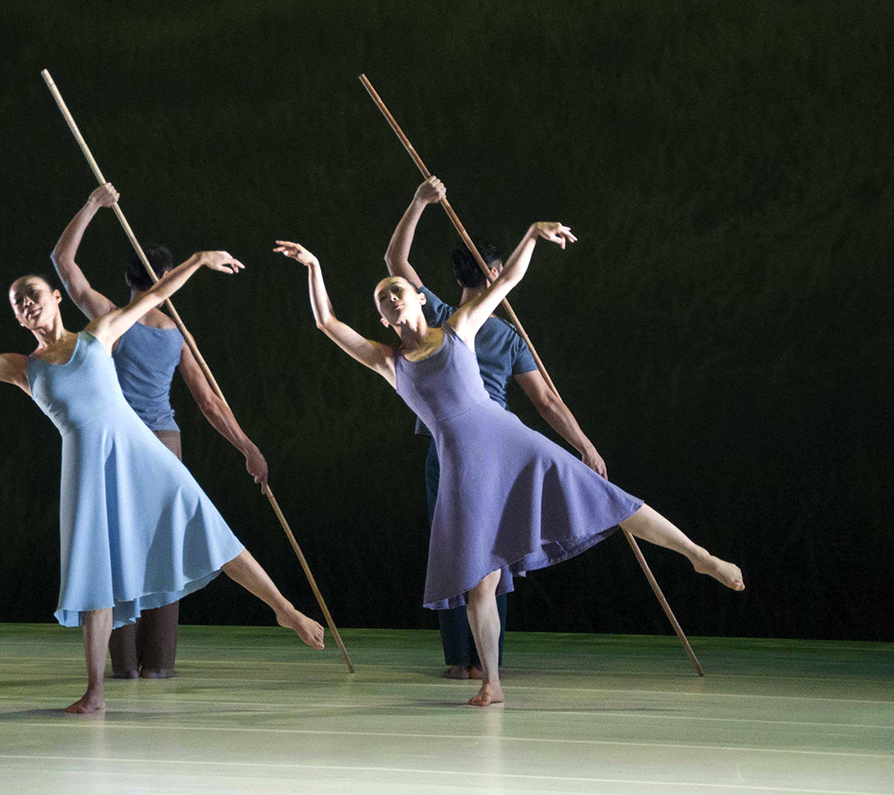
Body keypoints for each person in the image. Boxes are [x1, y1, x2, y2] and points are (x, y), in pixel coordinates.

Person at [273, 231, 743, 707]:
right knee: (481, 578)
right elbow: (327, 322)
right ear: (382, 317)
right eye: (382, 297)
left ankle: (699, 555)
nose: (392, 296)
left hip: (511, 442)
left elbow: (510, 278)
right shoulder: (389, 361)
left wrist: (533, 234)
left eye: (397, 289)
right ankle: (491, 682)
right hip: (462, 468)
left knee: (605, 500)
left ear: (418, 297)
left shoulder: (458, 328)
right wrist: (314, 265)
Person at [0, 244, 324, 713]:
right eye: (16, 303)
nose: (25, 303)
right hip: (86, 471)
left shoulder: (98, 334)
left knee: (204, 519)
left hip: (139, 451)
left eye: (31, 293)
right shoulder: (25, 369)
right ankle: (95, 694)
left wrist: (199, 260)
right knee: (94, 576)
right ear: (20, 318)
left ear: (55, 297)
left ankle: (283, 609)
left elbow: (155, 295)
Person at [385, 176, 609, 680]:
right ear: (494, 270)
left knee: (453, 547)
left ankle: (462, 663)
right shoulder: (487, 329)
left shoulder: (439, 314)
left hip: (447, 451)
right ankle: (490, 663)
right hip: (492, 451)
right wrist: (585, 447)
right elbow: (547, 401)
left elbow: (395, 263)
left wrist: (418, 202)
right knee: (494, 549)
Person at [50, 182, 269, 679]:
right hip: (162, 444)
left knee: (120, 547)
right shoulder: (173, 332)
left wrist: (91, 205)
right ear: (167, 276)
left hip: (119, 445)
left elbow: (63, 262)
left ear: (129, 277)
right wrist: (246, 447)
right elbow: (209, 403)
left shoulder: (108, 317)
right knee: (167, 546)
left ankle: (124, 666)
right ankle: (158, 666)